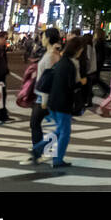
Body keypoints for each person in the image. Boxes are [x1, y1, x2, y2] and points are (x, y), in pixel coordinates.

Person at [31, 36, 86, 169]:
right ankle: (57, 160)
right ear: (77, 50)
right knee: (64, 133)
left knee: (60, 130)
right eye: (81, 50)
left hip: (53, 102)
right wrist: (81, 83)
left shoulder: (61, 62)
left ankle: (38, 149)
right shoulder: (71, 64)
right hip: (63, 103)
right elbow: (70, 85)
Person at [27, 29, 61, 154]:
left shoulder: (52, 55)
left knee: (35, 123)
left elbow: (49, 78)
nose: (42, 39)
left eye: (44, 36)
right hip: (44, 94)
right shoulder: (52, 53)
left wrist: (45, 100)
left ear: (48, 38)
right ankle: (42, 150)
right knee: (40, 123)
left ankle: (39, 150)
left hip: (45, 96)